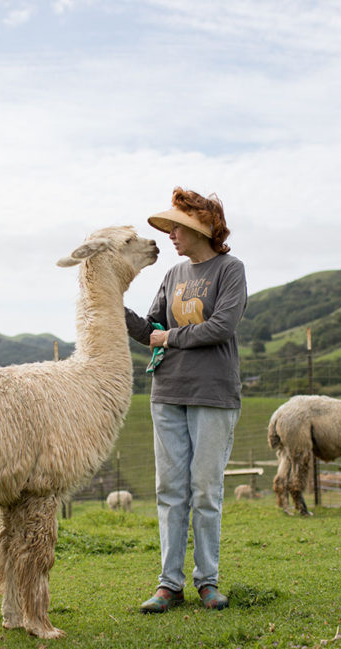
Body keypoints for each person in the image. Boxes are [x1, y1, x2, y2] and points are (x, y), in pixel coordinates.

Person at [125, 187, 247, 613]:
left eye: (177, 226)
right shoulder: (173, 274)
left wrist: (169, 337)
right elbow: (151, 330)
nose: (171, 234)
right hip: (167, 392)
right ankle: (169, 584)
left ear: (202, 228)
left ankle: (207, 581)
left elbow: (221, 327)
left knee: (205, 490)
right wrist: (112, 304)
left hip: (213, 393)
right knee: (170, 489)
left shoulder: (230, 270)